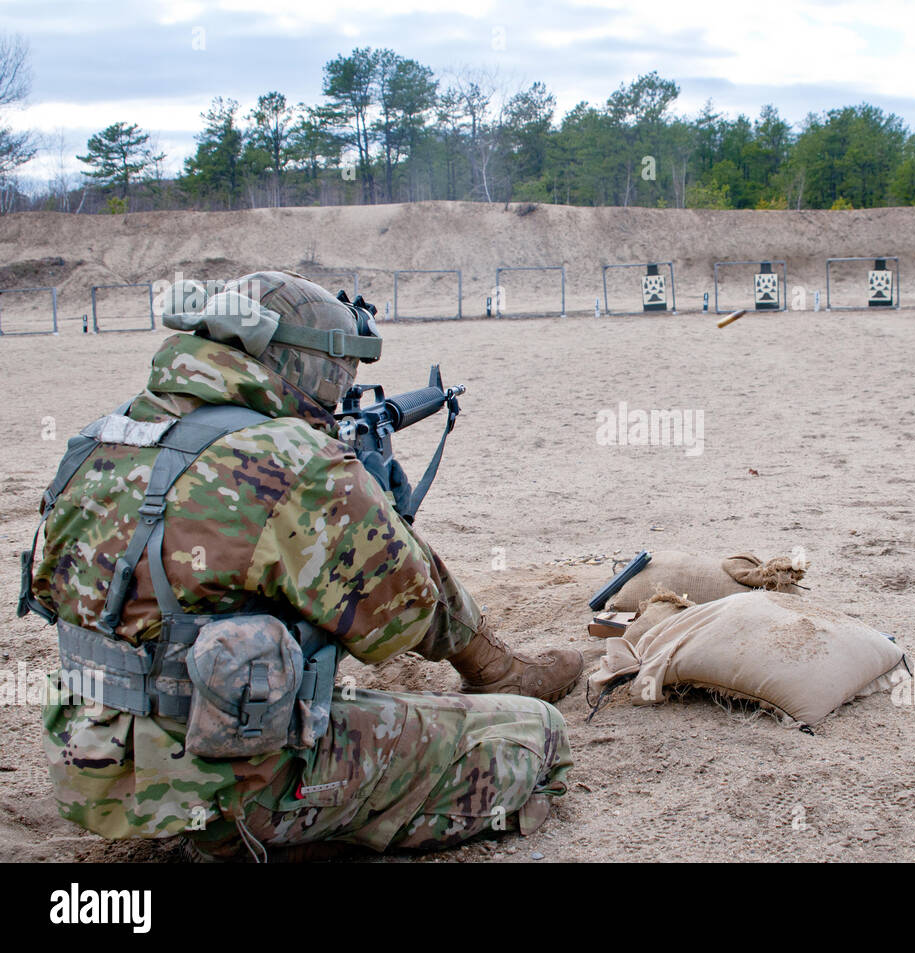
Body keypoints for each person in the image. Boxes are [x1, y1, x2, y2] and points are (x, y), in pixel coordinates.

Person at [20, 270, 582, 860]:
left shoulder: (102, 437)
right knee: (538, 732)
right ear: (304, 364)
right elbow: (403, 616)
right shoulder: (289, 460)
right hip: (229, 789)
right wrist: (369, 509)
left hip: (89, 769)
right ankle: (490, 680)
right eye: (338, 372)